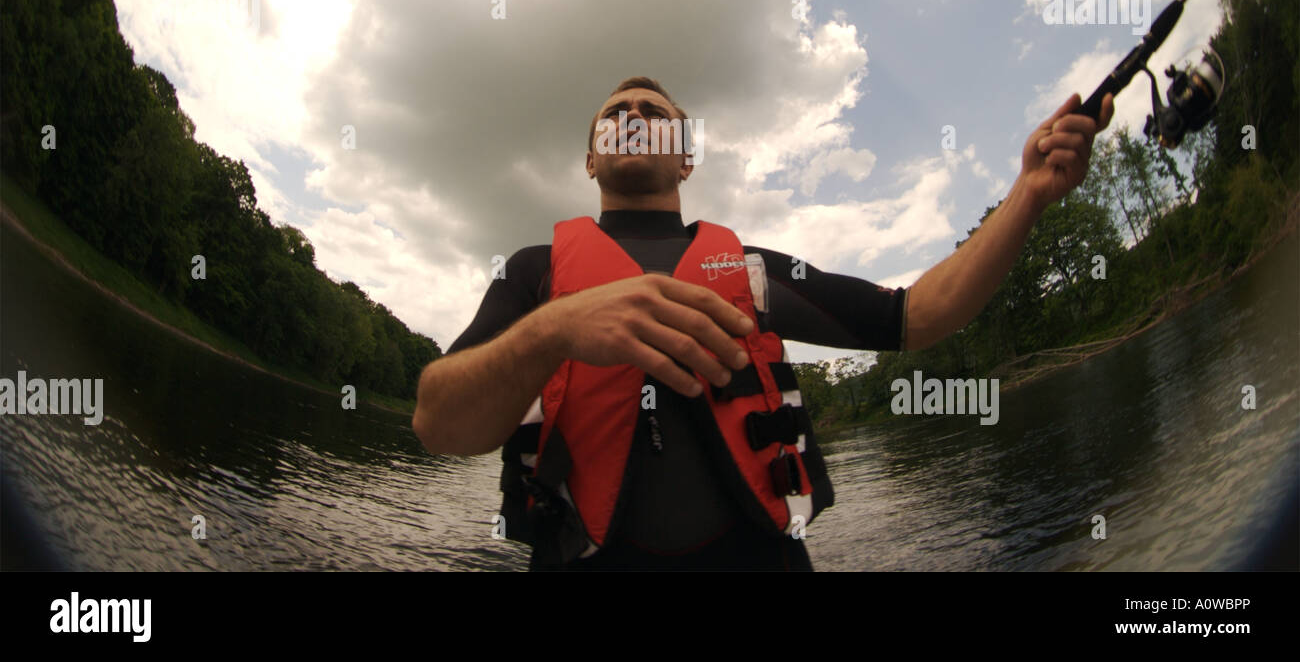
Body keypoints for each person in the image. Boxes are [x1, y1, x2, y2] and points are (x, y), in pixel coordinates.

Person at [412, 76, 1114, 570]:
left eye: (653, 110)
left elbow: (916, 316)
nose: (632, 113)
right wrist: (556, 327)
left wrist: (1029, 195)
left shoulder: (747, 270)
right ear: (592, 155)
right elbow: (439, 426)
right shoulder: (534, 272)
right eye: (615, 111)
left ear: (686, 155)